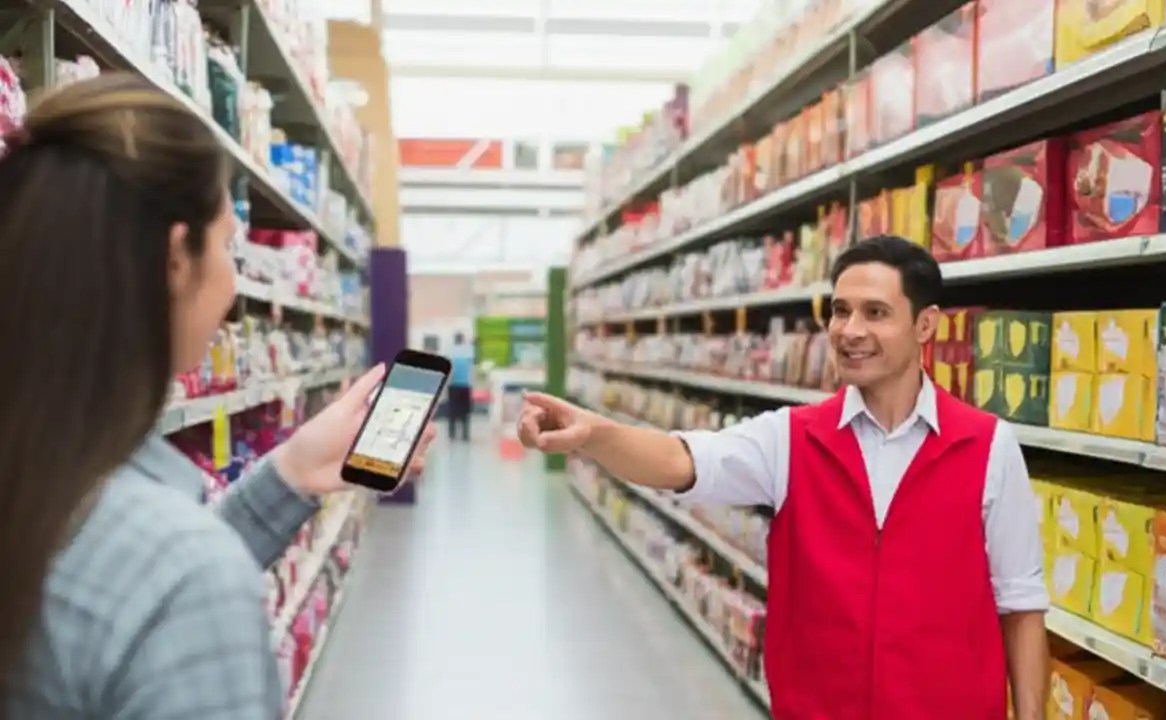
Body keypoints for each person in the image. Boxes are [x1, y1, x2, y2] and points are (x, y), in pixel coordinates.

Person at [0, 72, 433, 719]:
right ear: (177, 258)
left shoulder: (47, 492)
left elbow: (125, 593)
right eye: (230, 244)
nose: (235, 279)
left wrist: (290, 474)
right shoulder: (180, 574)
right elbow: (162, 585)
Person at [519, 235, 1049, 720]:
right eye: (840, 311)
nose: (850, 331)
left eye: (876, 313)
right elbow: (681, 460)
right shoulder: (792, 439)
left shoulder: (986, 446)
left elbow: (1021, 606)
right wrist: (593, 434)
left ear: (926, 325)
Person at [446, 331, 475, 441]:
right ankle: (465, 435)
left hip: (453, 385)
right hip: (465, 385)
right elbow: (472, 368)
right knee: (465, 412)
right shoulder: (469, 351)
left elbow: (449, 370)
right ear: (462, 340)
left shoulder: (451, 352)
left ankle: (452, 435)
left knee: (452, 411)